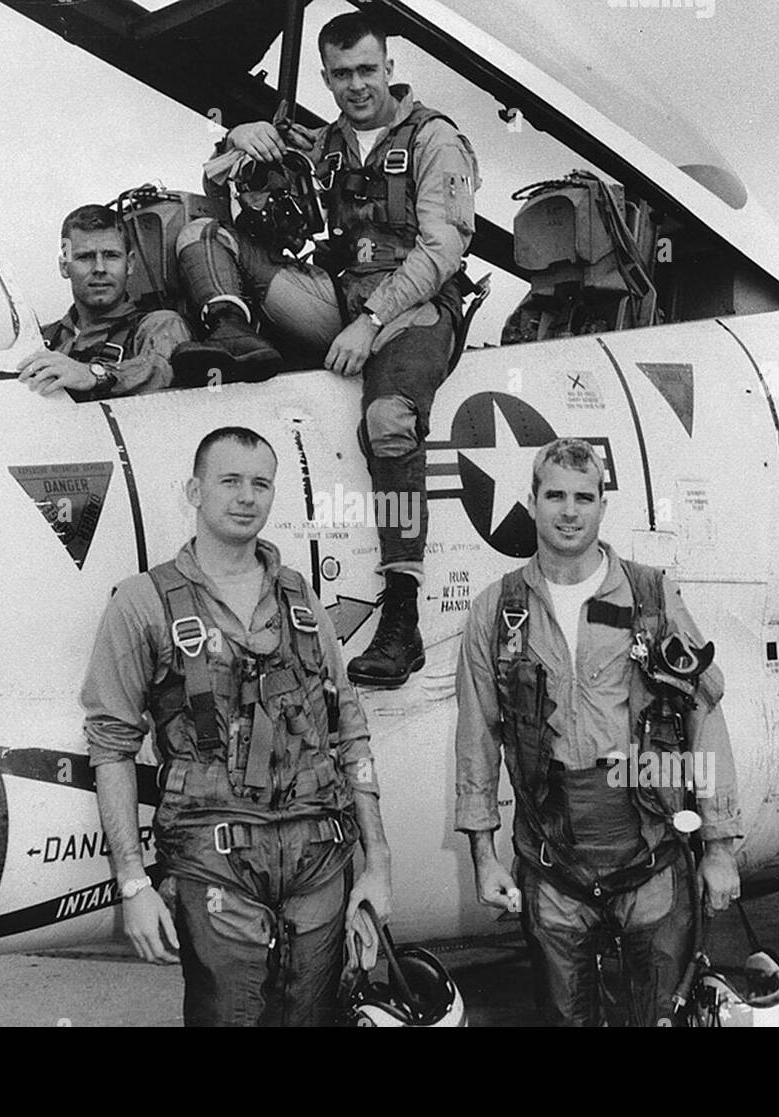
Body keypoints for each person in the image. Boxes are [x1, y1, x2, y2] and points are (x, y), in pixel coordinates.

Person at [170, 10, 480, 689]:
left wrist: (370, 321)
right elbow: (225, 183)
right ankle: (234, 336)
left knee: (388, 419)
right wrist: (238, 137)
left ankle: (403, 616)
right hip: (339, 298)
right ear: (326, 77)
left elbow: (445, 248)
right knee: (200, 235)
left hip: (415, 306)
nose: (355, 85)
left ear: (390, 68)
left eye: (367, 70)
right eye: (341, 75)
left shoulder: (435, 141)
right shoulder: (326, 143)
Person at [82, 426, 393, 1027]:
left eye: (260, 484)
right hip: (214, 863)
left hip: (319, 861)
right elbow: (111, 747)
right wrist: (131, 884)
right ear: (194, 491)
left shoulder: (301, 599)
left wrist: (377, 863)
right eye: (230, 481)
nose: (247, 497)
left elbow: (349, 728)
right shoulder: (144, 604)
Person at [455, 438, 743, 1026]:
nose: (568, 510)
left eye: (583, 497)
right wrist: (483, 855)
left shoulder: (652, 596)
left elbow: (704, 717)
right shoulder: (496, 611)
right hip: (551, 856)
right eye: (554, 495)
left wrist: (718, 846)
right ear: (531, 503)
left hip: (649, 850)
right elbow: (478, 737)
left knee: (663, 1014)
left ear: (603, 507)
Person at [18, 204, 191, 397]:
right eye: (85, 257)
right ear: (65, 266)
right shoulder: (41, 340)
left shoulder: (158, 325)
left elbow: (160, 367)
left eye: (111, 256)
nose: (99, 268)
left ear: (130, 264)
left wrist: (94, 375)